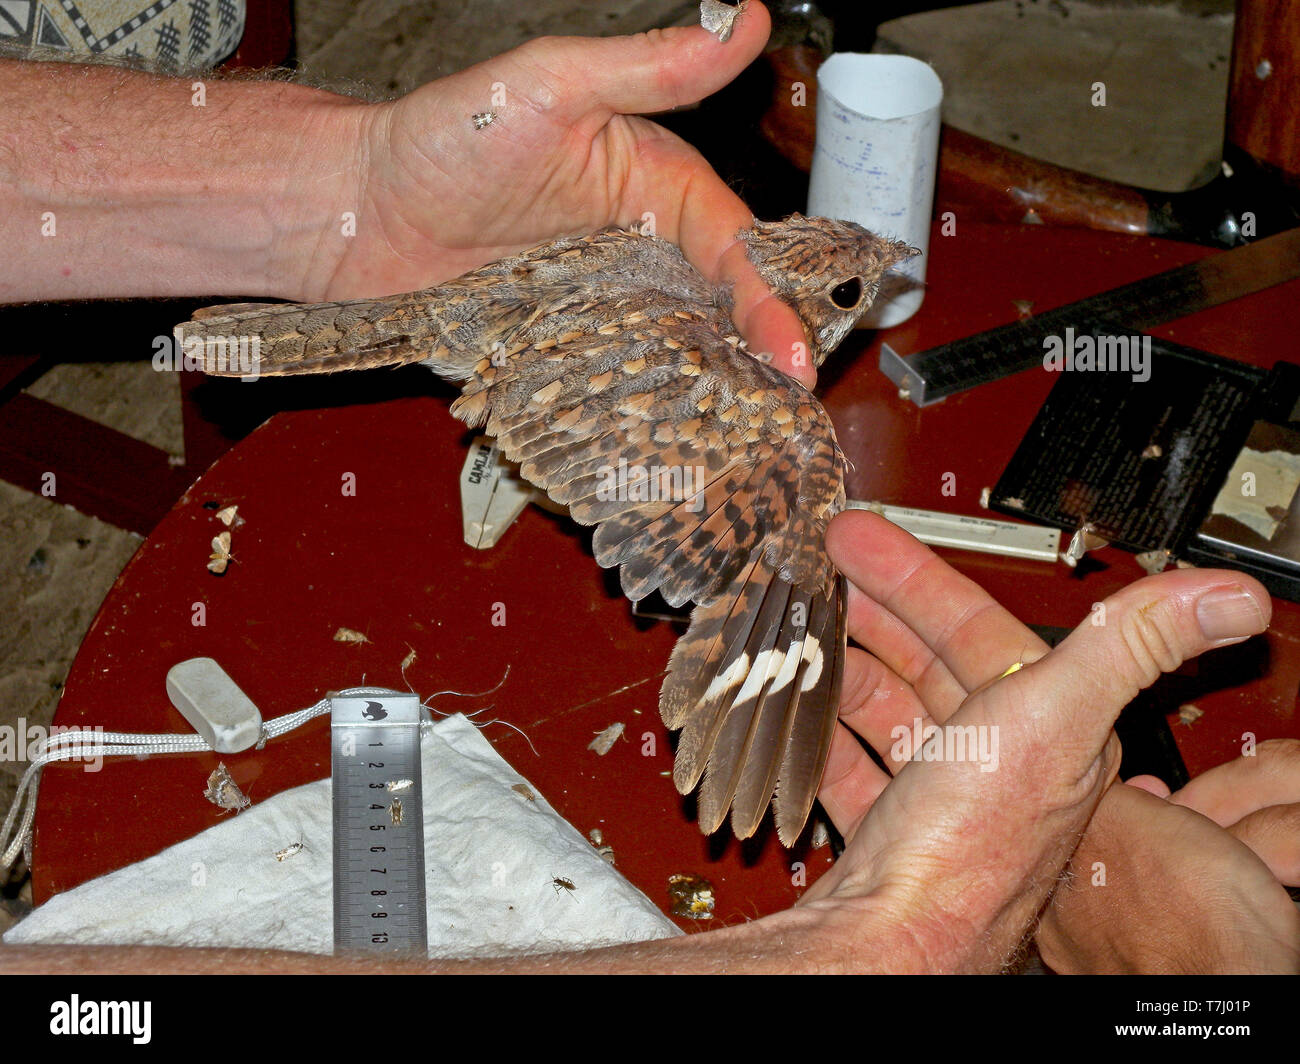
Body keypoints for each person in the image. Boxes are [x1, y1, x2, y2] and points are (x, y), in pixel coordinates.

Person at [0, 3, 1296, 974]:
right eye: (847, 298)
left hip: (495, 312)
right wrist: (898, 940)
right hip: (510, 329)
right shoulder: (767, 426)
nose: (863, 315)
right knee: (792, 483)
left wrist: (347, 198)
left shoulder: (655, 262)